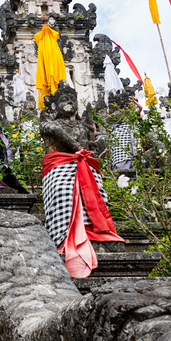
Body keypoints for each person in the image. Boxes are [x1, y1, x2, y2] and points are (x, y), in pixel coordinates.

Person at [40, 82, 123, 278]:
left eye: (72, 99)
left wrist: (93, 133)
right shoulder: (49, 124)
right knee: (63, 194)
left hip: (83, 165)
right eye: (64, 99)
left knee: (96, 196)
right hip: (59, 168)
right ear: (54, 106)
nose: (69, 102)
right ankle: (63, 236)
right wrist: (79, 147)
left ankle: (92, 233)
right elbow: (61, 137)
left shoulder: (81, 125)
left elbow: (91, 145)